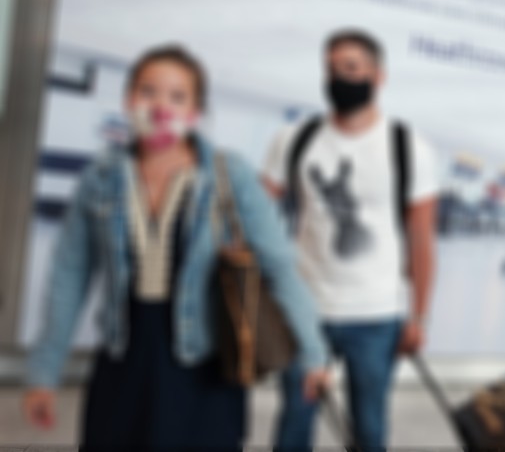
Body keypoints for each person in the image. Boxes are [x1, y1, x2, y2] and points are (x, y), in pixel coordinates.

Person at [21, 45, 332, 451]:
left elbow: (280, 266)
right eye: (148, 91)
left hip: (205, 367)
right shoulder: (99, 178)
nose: (160, 106)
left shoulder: (229, 173)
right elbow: (69, 275)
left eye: (177, 96)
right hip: (124, 362)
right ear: (128, 99)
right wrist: (44, 372)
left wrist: (314, 353)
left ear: (196, 111)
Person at [264, 30, 438, 452]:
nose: (339, 78)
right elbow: (258, 217)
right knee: (293, 426)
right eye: (331, 68)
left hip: (376, 316)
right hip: (305, 311)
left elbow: (421, 239)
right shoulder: (295, 139)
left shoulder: (407, 147)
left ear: (379, 76)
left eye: (351, 68)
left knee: (369, 429)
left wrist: (418, 315)